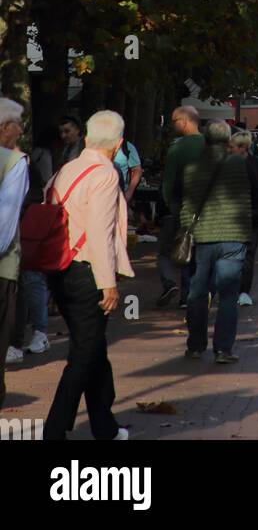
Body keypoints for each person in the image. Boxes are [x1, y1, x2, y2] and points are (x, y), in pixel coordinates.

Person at [43, 110, 133, 440]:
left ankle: (104, 427)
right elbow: (100, 231)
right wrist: (108, 283)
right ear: (119, 143)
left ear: (86, 137)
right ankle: (54, 429)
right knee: (84, 353)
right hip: (86, 272)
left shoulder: (66, 169)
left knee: (93, 348)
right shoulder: (105, 175)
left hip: (60, 267)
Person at [181, 120, 251, 363]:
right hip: (233, 235)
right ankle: (223, 348)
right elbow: (247, 197)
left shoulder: (193, 166)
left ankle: (196, 345)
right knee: (229, 294)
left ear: (205, 138)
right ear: (228, 139)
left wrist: (186, 230)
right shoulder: (238, 164)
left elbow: (186, 204)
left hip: (202, 237)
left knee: (197, 293)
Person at [8, 124, 56, 362]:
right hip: (17, 228)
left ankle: (37, 332)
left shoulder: (22, 162)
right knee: (21, 284)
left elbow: (37, 193)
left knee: (28, 281)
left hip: (24, 229)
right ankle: (25, 336)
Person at [156, 105, 204, 307]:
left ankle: (176, 289)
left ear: (184, 122)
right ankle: (197, 293)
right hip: (206, 208)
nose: (173, 124)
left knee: (170, 250)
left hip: (180, 207)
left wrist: (170, 206)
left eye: (175, 121)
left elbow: (167, 183)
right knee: (199, 252)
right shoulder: (209, 144)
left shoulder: (177, 148)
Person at [0, 99, 29, 408]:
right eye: (18, 123)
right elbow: (5, 221)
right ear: (5, 128)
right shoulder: (15, 162)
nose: (22, 129)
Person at [229, 130, 258, 305]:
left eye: (232, 147)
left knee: (249, 253)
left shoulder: (256, 164)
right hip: (237, 215)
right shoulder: (228, 163)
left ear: (243, 148)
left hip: (251, 214)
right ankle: (234, 288)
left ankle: (244, 291)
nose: (229, 150)